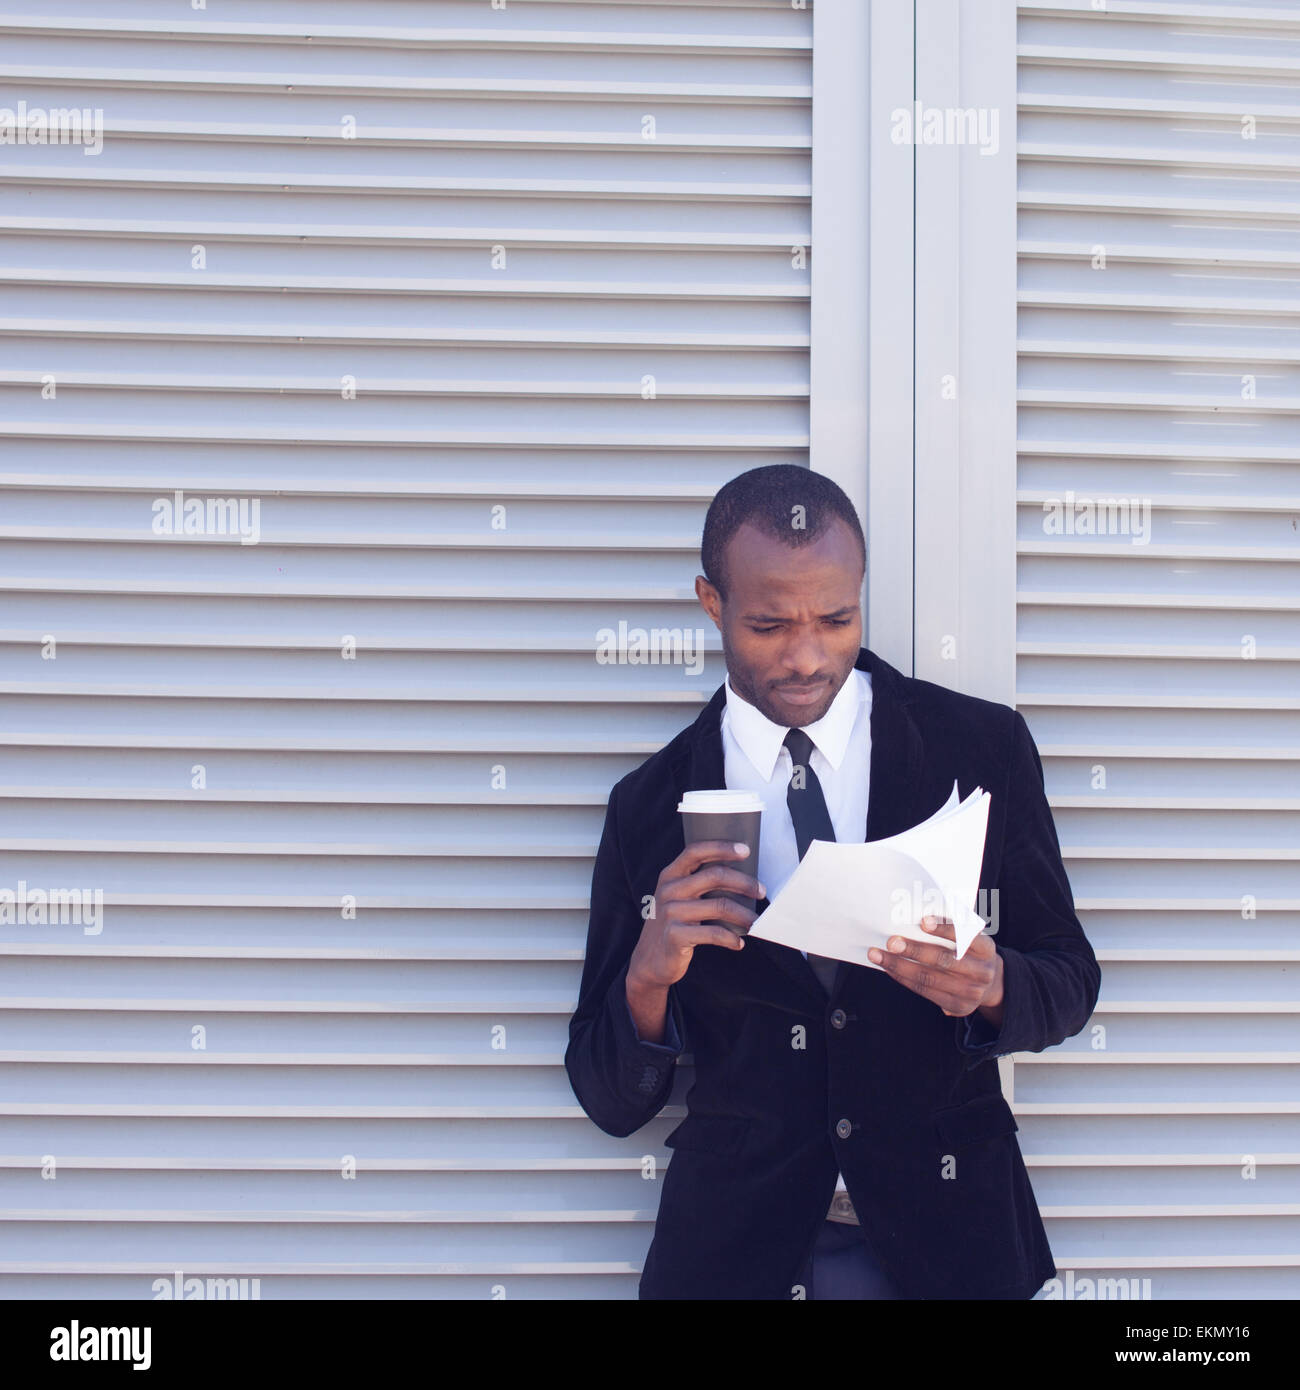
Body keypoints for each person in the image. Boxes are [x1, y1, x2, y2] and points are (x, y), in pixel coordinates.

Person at [565, 464, 1101, 1300]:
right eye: (770, 625)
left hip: (952, 1243)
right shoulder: (647, 804)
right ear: (712, 604)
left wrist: (994, 986)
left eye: (838, 618)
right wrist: (646, 977)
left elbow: (1071, 980)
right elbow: (608, 1096)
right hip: (738, 1256)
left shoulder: (979, 748)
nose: (808, 657)